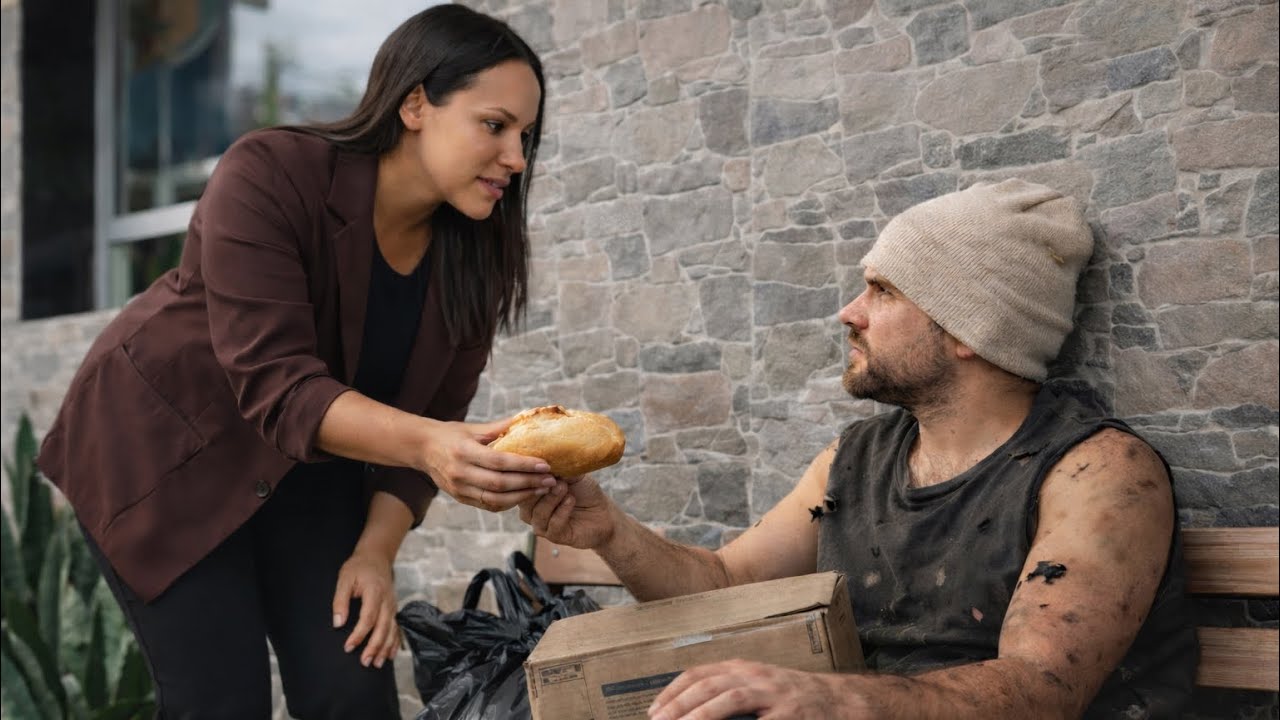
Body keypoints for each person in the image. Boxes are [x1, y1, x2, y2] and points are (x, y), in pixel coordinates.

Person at [36, 6, 555, 718]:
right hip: (167, 458)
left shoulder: (476, 258)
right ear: (414, 105)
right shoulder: (272, 171)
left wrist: (375, 553)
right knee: (222, 701)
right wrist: (436, 445)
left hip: (309, 473)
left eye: (526, 136)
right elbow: (279, 385)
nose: (517, 158)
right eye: (494, 126)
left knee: (353, 691)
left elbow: (430, 426)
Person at [521, 180, 1199, 720]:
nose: (851, 311)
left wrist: (836, 699)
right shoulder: (855, 460)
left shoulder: (1098, 472)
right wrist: (607, 530)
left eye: (883, 290)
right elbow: (723, 587)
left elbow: (1040, 691)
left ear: (969, 330)